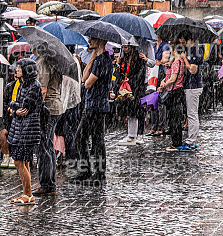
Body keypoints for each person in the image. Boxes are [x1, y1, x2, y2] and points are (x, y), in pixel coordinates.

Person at [70, 37, 112, 185]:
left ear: (101, 41)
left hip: (96, 106)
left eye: (92, 38)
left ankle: (95, 173)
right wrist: (92, 57)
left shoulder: (103, 61)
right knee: (90, 139)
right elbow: (83, 78)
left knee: (89, 140)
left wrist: (95, 59)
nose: (89, 40)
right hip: (92, 104)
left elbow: (87, 84)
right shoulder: (98, 59)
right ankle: (89, 172)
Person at [7, 59, 43, 205]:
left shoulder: (34, 86)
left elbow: (24, 108)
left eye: (20, 68)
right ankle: (27, 193)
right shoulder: (24, 84)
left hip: (27, 130)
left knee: (19, 161)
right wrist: (14, 107)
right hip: (21, 129)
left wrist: (13, 107)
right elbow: (17, 107)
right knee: (23, 161)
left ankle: (27, 193)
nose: (17, 70)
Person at [34, 52, 63, 196]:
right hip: (55, 106)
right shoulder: (54, 59)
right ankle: (49, 182)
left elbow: (43, 90)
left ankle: (47, 184)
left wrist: (36, 108)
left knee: (43, 147)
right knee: (49, 145)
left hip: (48, 108)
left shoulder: (43, 61)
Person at [176, 32, 204, 151]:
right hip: (190, 85)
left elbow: (193, 69)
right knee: (192, 113)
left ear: (189, 40)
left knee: (192, 114)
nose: (182, 44)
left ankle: (191, 141)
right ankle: (193, 140)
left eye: (183, 42)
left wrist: (184, 59)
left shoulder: (195, 50)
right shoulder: (191, 50)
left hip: (193, 86)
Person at [116, 44, 147, 146]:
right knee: (130, 110)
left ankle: (140, 134)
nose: (124, 50)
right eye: (123, 47)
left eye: (126, 47)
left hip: (138, 88)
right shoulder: (123, 59)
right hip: (127, 88)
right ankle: (131, 134)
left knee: (140, 110)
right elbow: (121, 73)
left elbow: (141, 73)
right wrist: (119, 65)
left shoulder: (139, 57)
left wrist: (132, 81)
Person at [157, 44, 186, 151]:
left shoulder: (176, 63)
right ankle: (176, 141)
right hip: (177, 91)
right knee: (175, 117)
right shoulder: (178, 62)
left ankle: (176, 142)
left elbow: (173, 79)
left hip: (174, 91)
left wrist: (165, 84)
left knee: (174, 118)